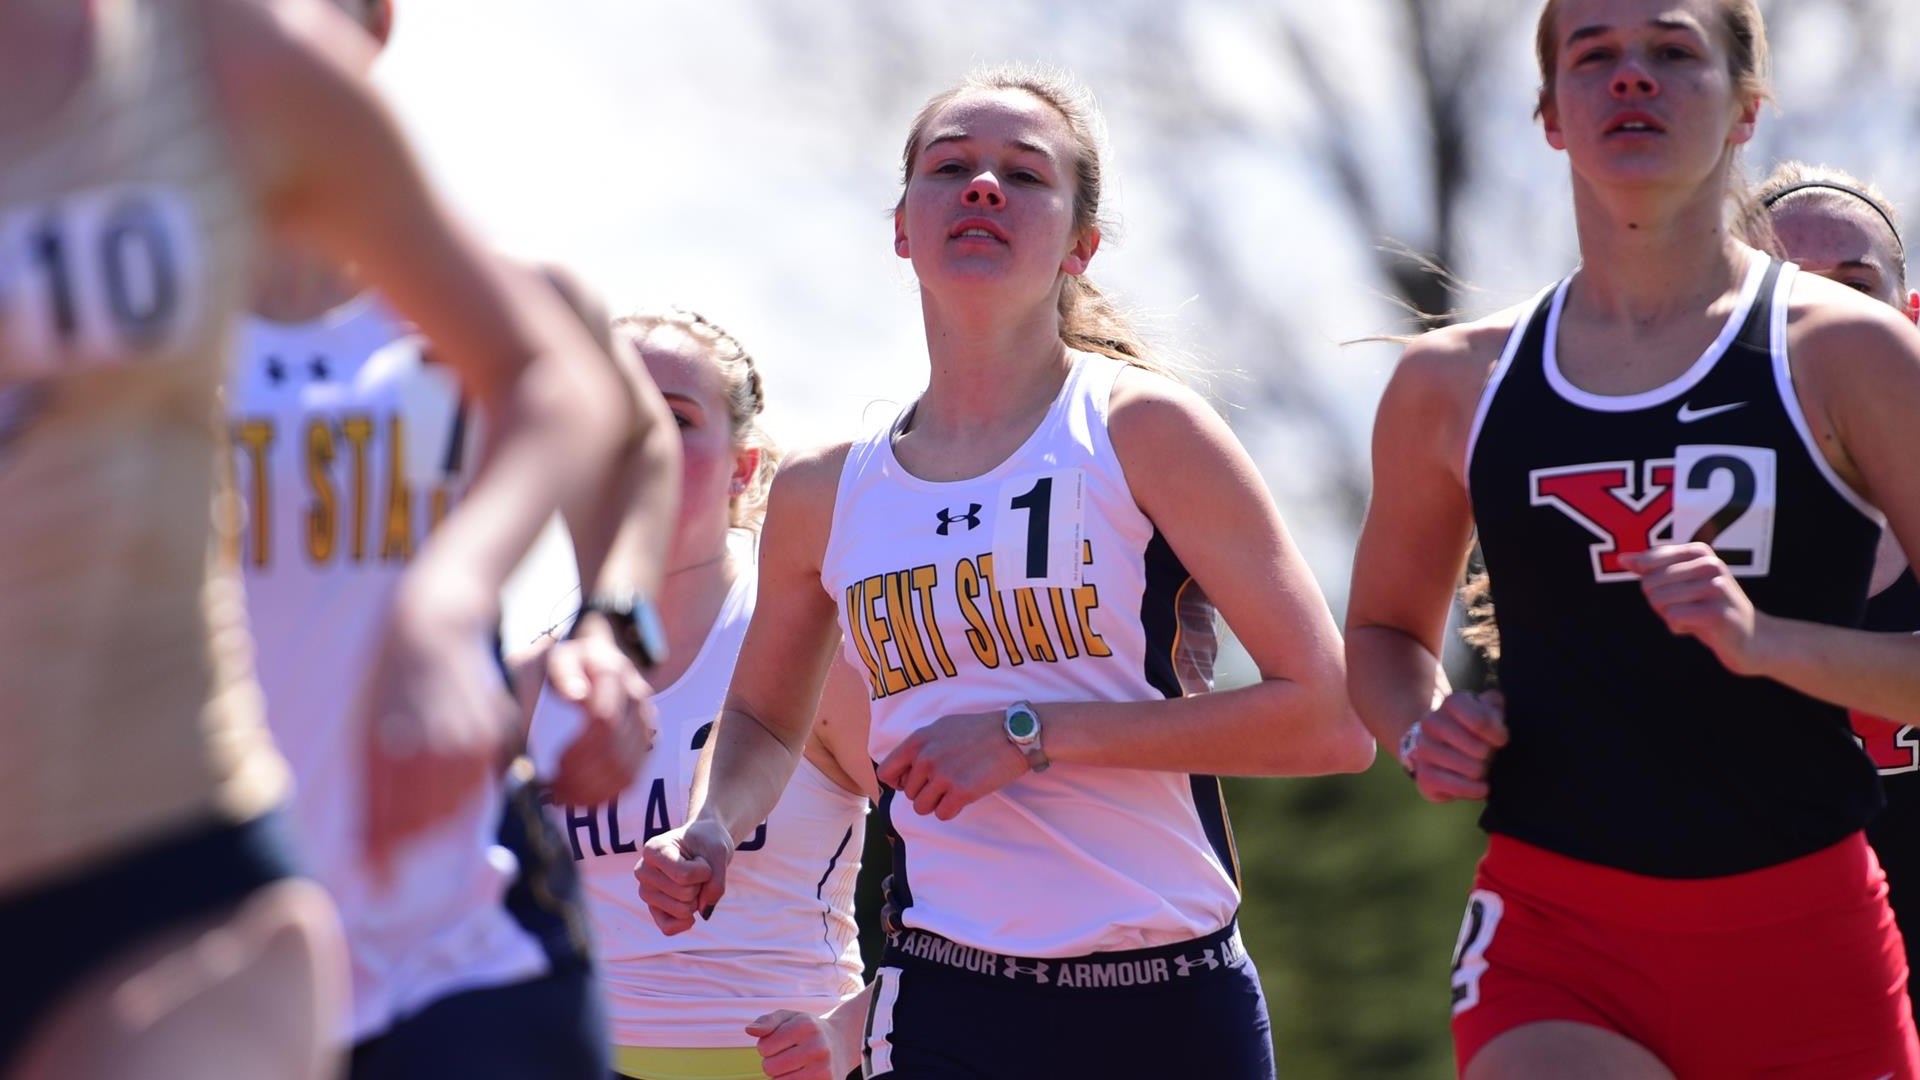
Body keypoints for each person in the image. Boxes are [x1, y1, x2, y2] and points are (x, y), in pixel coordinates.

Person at [638, 63, 1372, 1080]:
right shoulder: (825, 493)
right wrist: (712, 827)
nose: (984, 186)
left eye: (1024, 175)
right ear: (902, 226)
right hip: (945, 998)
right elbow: (765, 720)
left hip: (1168, 1001)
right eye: (952, 167)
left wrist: (1032, 734)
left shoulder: (1141, 430)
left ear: (1081, 245)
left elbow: (1331, 720)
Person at [0, 0, 670, 1076]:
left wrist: (599, 621)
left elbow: (610, 417)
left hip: (414, 926)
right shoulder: (164, 278)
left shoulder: (484, 295)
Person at [1347, 0, 1920, 1075]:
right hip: (1556, 932)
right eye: (1594, 55)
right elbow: (1382, 630)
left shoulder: (1851, 354)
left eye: (1671, 51)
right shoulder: (1453, 381)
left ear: (1747, 109)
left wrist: (1769, 645)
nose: (1630, 78)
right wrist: (1427, 727)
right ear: (1549, 114)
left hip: (1804, 935)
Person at [520, 309, 879, 1080]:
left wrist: (860, 1026)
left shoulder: (825, 647)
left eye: (675, 417)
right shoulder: (527, 686)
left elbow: (973, 880)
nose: (639, 438)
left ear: (744, 469)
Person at [1760, 159, 1920, 1028]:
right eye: (1789, 292)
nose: (1826, 321)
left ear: (1911, 314)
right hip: (1774, 990)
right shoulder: (1666, 527)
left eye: (1856, 289)